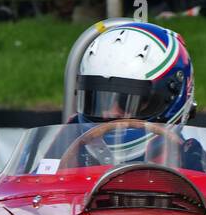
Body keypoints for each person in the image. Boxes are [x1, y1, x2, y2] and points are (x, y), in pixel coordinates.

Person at [72, 21, 196, 165]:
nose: (109, 113)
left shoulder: (195, 160)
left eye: (126, 100)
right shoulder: (63, 143)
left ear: (173, 97)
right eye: (97, 99)